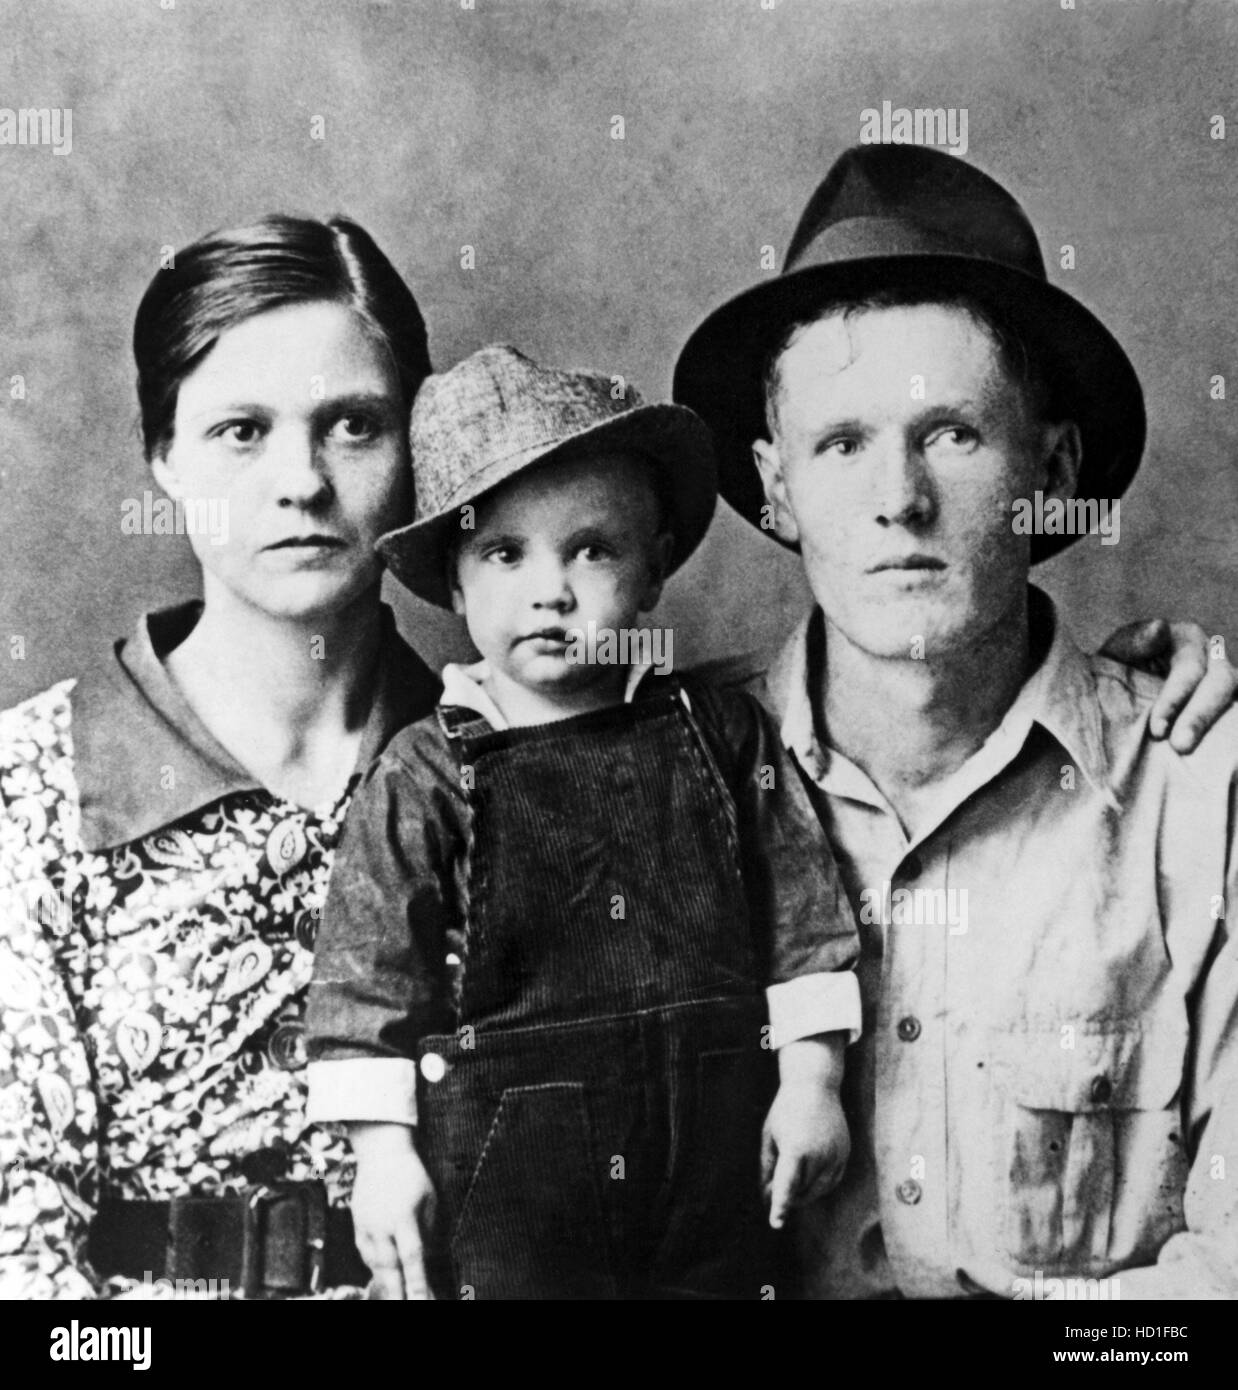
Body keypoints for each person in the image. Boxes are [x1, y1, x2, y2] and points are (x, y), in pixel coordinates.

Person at [673, 143, 1238, 1298]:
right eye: (840, 443)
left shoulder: (1200, 789)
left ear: (1051, 467)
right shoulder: (659, 777)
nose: (898, 498)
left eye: (952, 434)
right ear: (774, 489)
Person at [305, 344, 862, 1300]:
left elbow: (807, 923)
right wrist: (383, 1156)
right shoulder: (427, 771)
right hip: (519, 1188)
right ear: (455, 585)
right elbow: (366, 982)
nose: (551, 589)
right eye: (505, 554)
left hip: (715, 1169)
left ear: (651, 575)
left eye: (593, 549)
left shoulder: (720, 732)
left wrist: (812, 1083)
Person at [0, 215, 441, 1298]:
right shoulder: (33, 784)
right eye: (241, 431)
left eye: (352, 425)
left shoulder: (497, 770)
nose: (300, 479)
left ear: (416, 450)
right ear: (163, 456)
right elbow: (15, 1240)